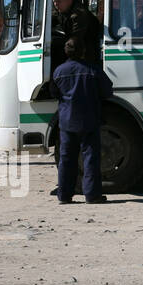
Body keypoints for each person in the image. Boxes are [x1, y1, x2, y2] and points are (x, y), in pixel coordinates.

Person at [51, 36, 114, 204]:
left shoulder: (59, 72)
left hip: (66, 121)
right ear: (83, 51)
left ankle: (64, 195)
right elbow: (107, 92)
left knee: (67, 159)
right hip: (89, 120)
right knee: (91, 158)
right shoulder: (93, 71)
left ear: (66, 52)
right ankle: (92, 195)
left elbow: (54, 93)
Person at [51, 0, 103, 68]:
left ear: (69, 0)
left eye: (59, 1)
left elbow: (75, 39)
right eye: (54, 1)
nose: (56, 4)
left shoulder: (79, 14)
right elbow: (52, 20)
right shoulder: (61, 10)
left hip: (86, 52)